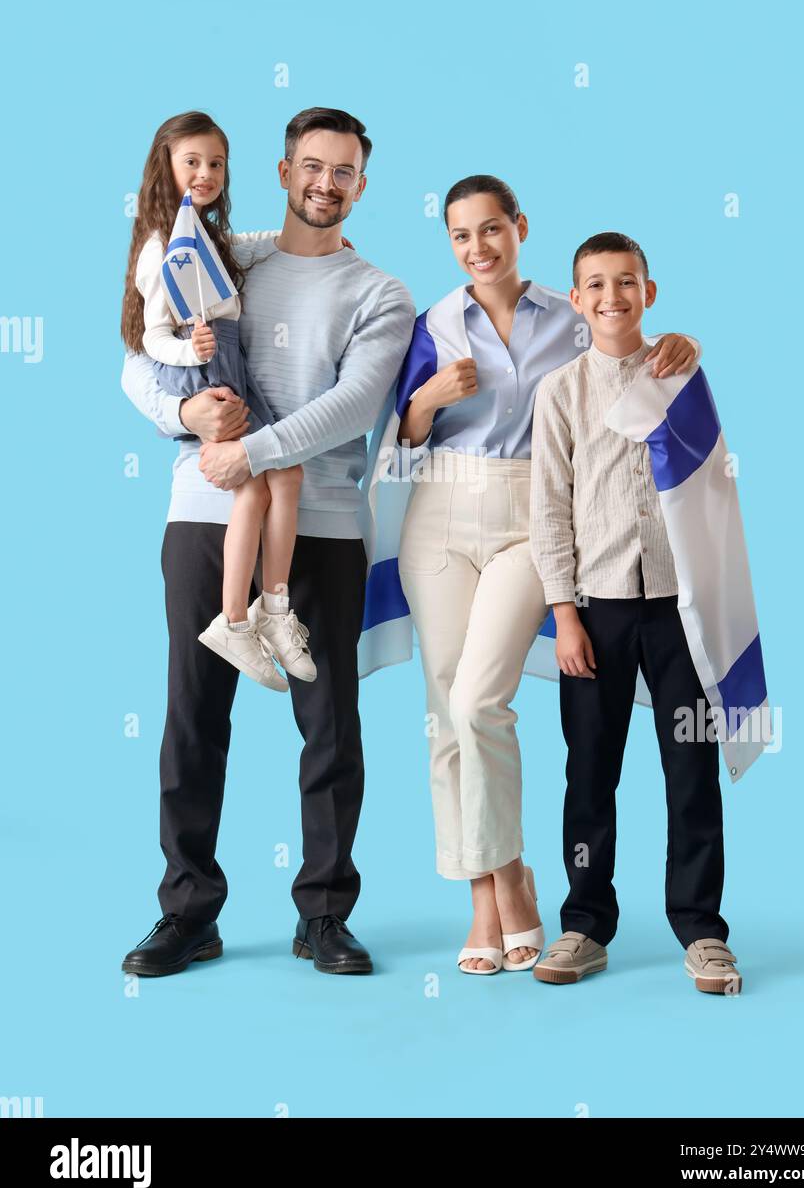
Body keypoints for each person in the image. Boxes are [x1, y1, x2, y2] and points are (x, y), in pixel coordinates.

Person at [119, 107, 415, 978]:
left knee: (329, 726)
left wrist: (251, 449)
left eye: (345, 171)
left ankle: (324, 914)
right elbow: (138, 355)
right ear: (284, 172)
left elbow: (357, 405)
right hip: (202, 517)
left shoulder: (380, 293)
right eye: (312, 166)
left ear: (361, 186)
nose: (326, 183)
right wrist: (183, 413)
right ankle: (188, 912)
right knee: (192, 717)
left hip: (320, 526)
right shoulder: (225, 254)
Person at [395, 181, 698, 974]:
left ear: (518, 229)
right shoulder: (434, 322)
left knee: (478, 698)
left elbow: (627, 357)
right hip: (441, 508)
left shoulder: (570, 316)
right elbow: (400, 437)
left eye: (491, 229)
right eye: (461, 236)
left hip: (535, 512)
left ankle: (522, 880)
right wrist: (427, 397)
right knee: (444, 708)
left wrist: (681, 346)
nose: (478, 247)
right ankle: (488, 893)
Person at [529, 231, 741, 994]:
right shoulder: (559, 392)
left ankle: (702, 928)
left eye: (627, 282)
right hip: (598, 608)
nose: (612, 297)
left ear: (649, 292)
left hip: (680, 612)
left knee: (691, 769)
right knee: (590, 772)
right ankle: (585, 922)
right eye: (595, 284)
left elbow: (712, 488)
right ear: (576, 298)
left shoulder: (679, 374)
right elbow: (548, 509)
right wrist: (565, 615)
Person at [120, 111, 315, 692]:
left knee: (287, 474)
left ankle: (271, 609)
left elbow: (238, 248)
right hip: (208, 367)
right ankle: (236, 618)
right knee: (257, 483)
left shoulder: (200, 233)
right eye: (192, 162)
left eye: (216, 164)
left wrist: (296, 240)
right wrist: (191, 357)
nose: (206, 173)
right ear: (166, 168)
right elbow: (152, 337)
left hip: (226, 360)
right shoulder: (161, 247)